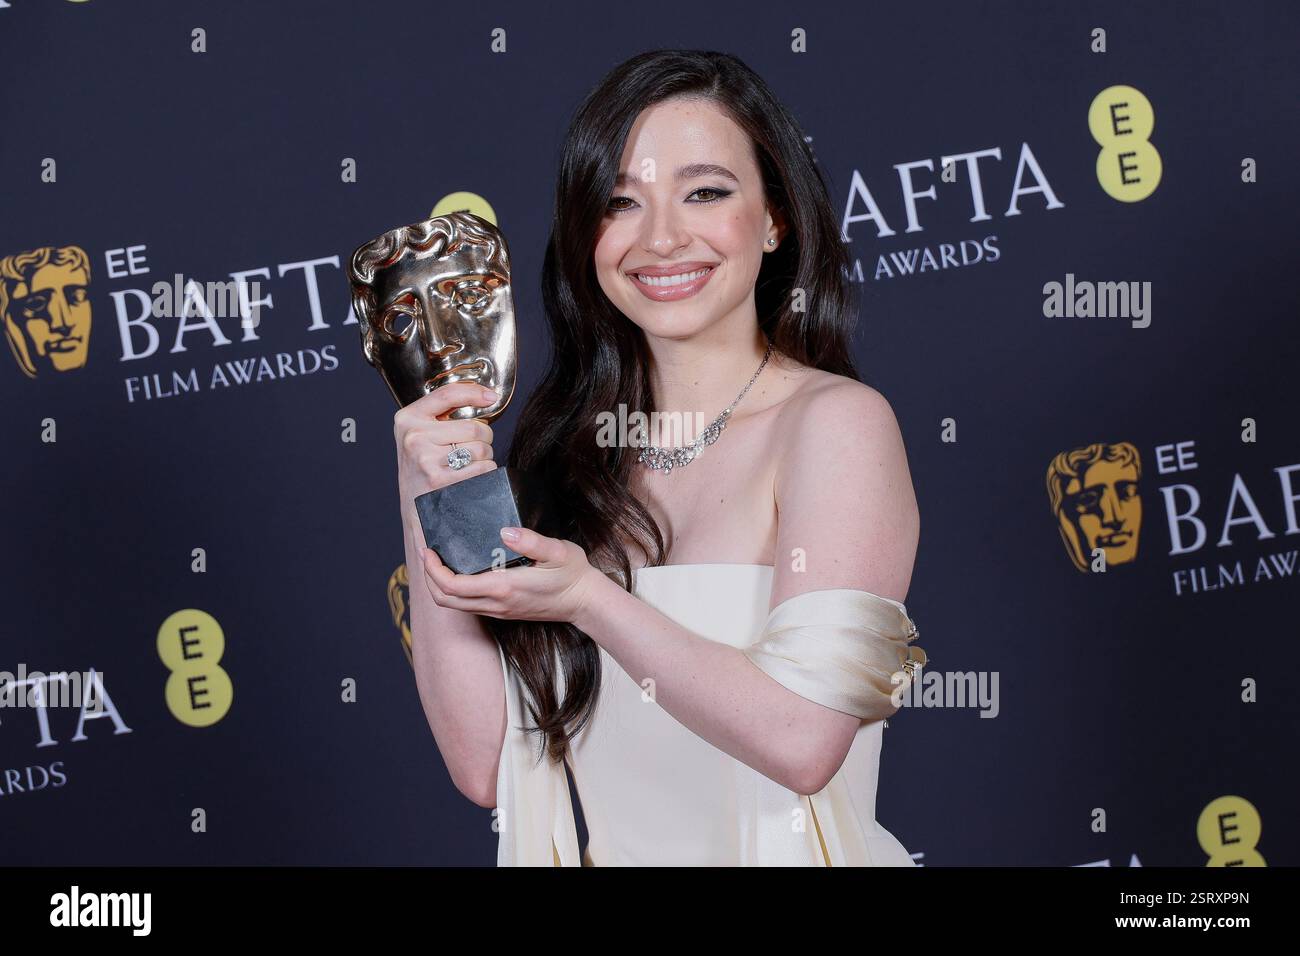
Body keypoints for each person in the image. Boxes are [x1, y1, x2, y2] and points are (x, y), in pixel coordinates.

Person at [393, 49, 925, 866]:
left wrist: (589, 600)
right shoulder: (561, 453)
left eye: (705, 192)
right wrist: (426, 486)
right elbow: (484, 763)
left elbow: (805, 740)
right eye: (620, 203)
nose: (663, 237)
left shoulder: (835, 425)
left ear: (775, 217)